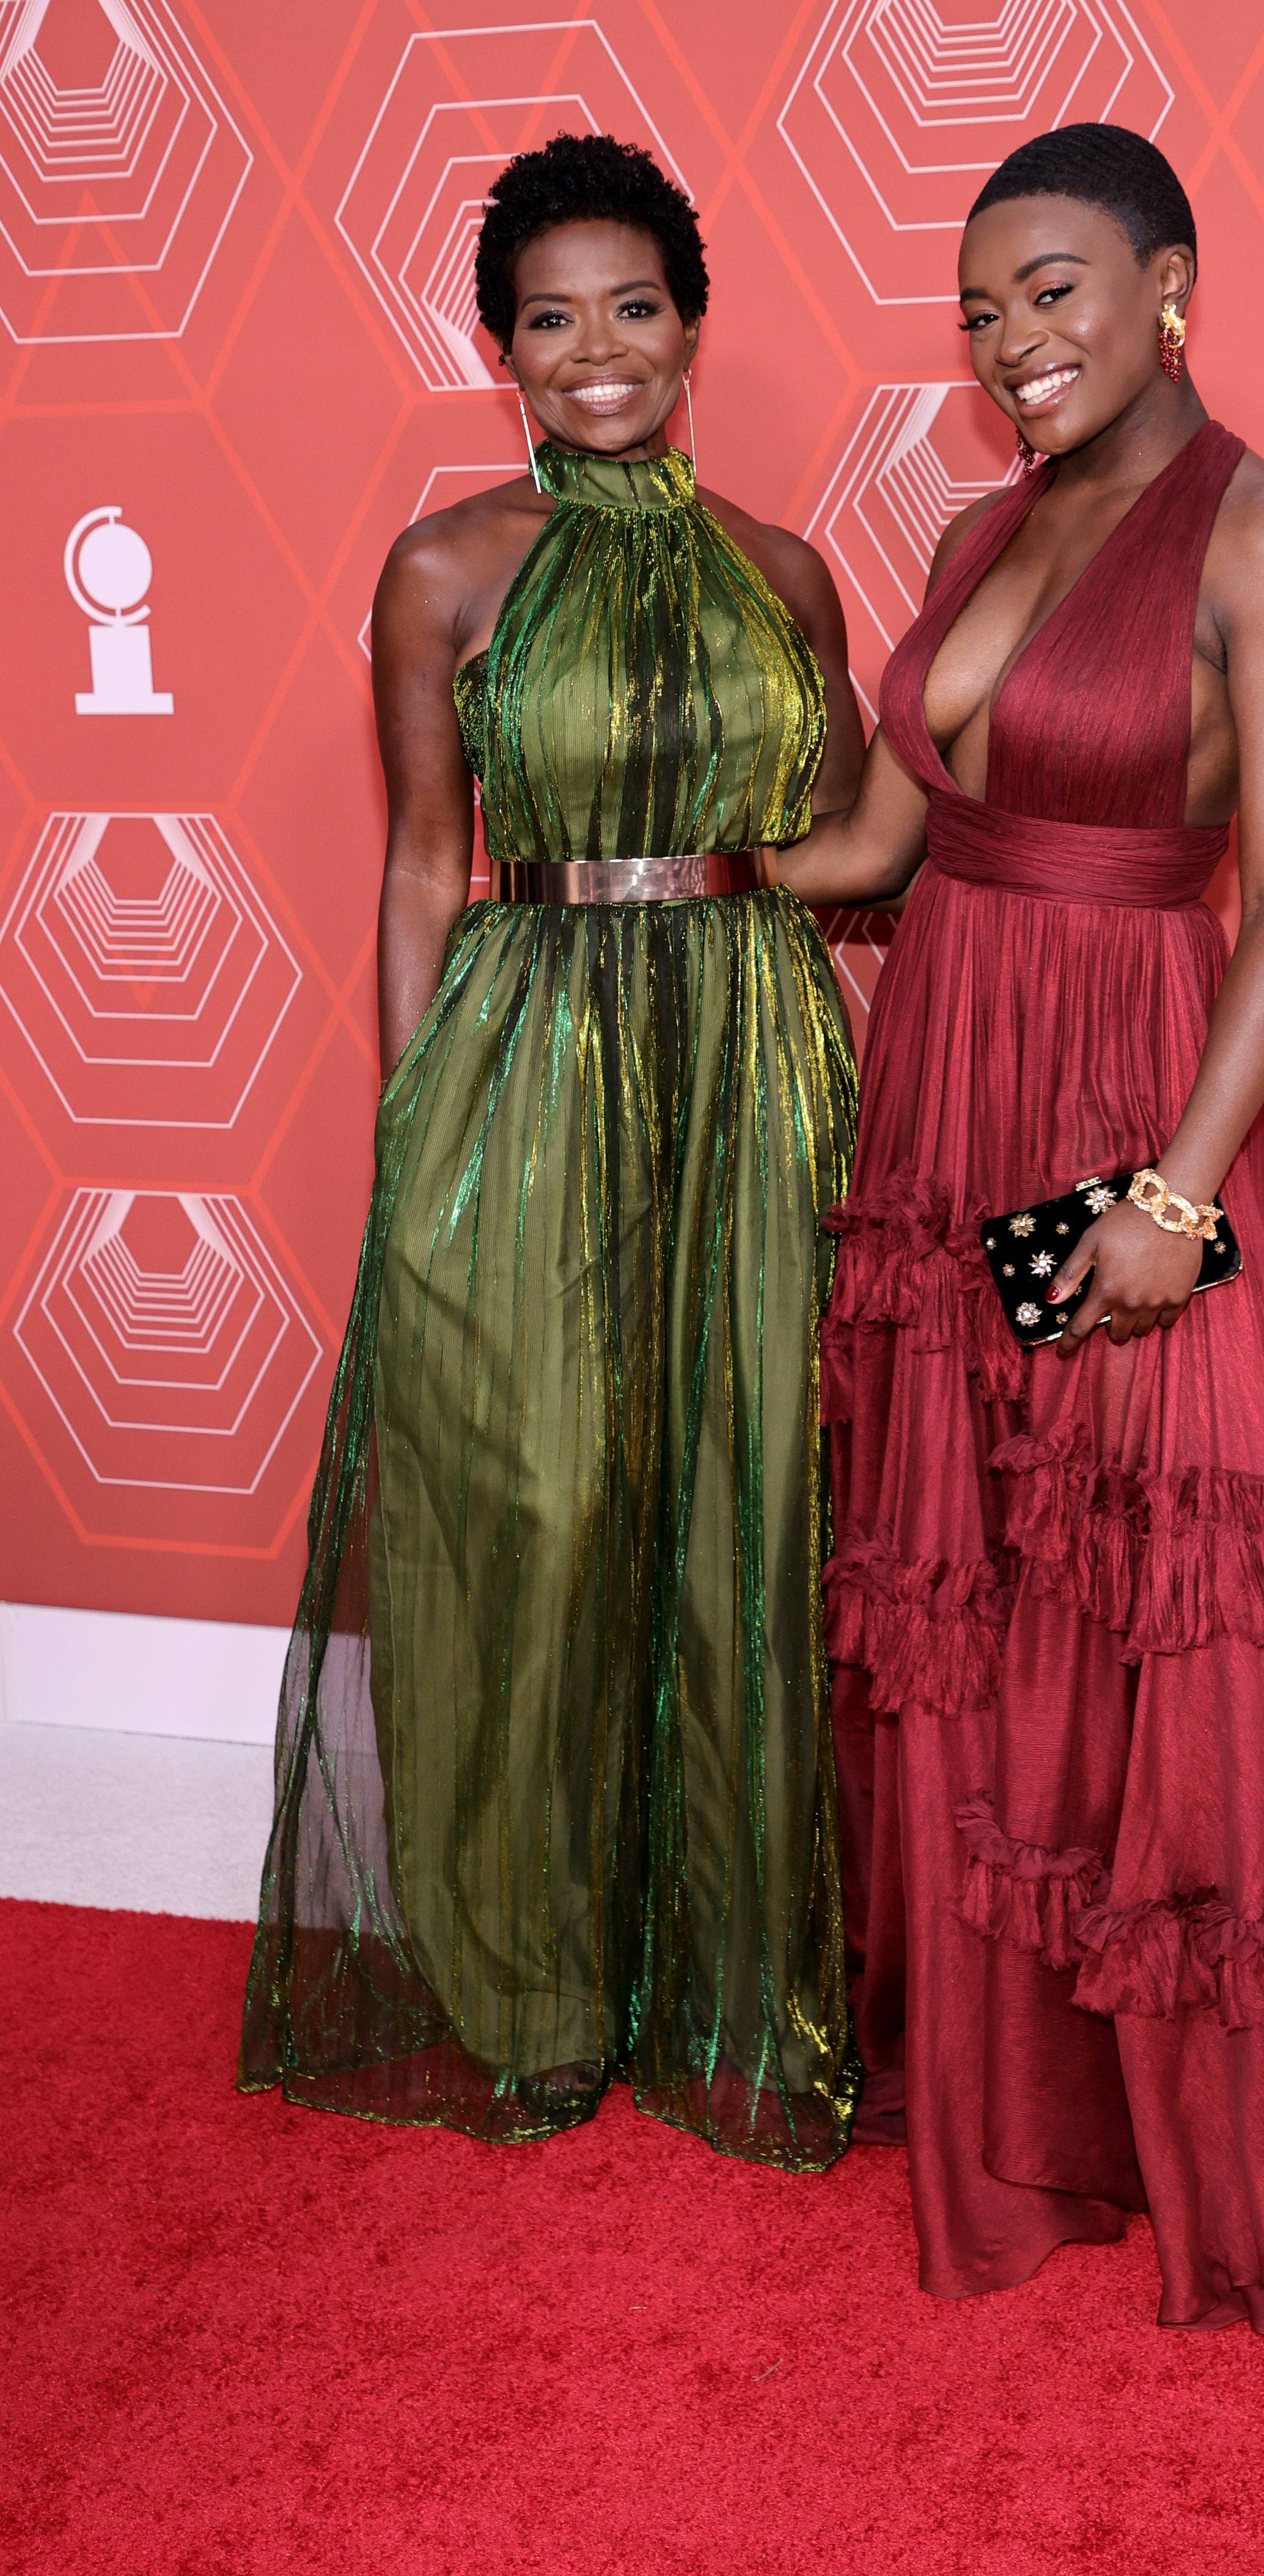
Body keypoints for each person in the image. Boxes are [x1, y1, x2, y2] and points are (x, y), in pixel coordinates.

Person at [777, 124, 1264, 2327]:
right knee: (983, 1576)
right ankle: (1023, 2103)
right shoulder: (975, 523)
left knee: (1169, 1573)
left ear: (1168, 285)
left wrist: (1172, 1198)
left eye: (1054, 290)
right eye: (982, 307)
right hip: (947, 1088)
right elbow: (889, 841)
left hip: (1127, 1102)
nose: (1015, 337)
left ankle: (1251, 2140)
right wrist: (645, 895)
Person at [241, 134, 865, 2170]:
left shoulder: (788, 572)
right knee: (529, 1515)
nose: (597, 355)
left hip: (757, 1065)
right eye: (549, 319)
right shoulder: (443, 566)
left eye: (634, 309)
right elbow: (427, 860)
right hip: (523, 1055)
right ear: (494, 343)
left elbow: (856, 843)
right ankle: (528, 1989)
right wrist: (418, 1123)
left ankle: (732, 1976)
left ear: (693, 320)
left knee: (748, 1510)